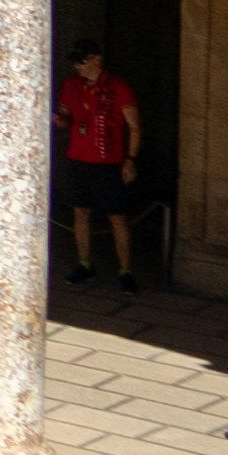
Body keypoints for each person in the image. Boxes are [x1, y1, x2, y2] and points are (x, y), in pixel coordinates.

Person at [57, 45, 147, 288]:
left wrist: (131, 159)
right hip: (78, 158)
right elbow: (66, 119)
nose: (78, 67)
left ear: (97, 59)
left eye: (82, 61)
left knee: (117, 217)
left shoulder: (118, 87)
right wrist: (59, 120)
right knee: (81, 211)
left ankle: (125, 271)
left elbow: (135, 126)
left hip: (108, 162)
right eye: (75, 63)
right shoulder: (71, 85)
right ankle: (84, 264)